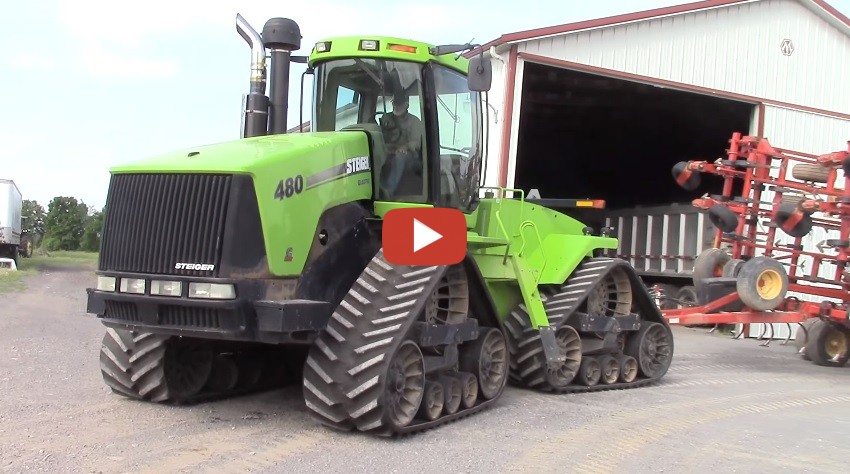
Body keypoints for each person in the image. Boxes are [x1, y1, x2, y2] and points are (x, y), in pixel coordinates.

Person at [379, 94, 424, 196]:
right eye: (394, 103)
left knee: (400, 157)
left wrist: (405, 147)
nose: (396, 106)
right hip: (389, 151)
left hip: (411, 156)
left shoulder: (414, 121)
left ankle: (388, 192)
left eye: (399, 103)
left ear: (406, 105)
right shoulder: (386, 118)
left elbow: (416, 142)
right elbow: (381, 136)